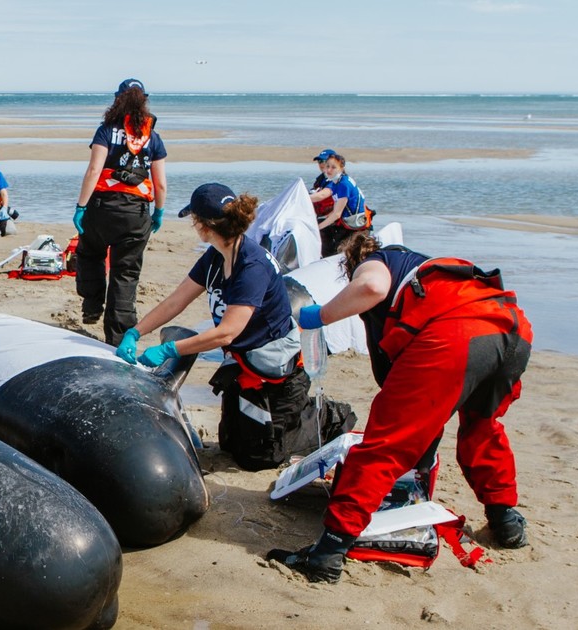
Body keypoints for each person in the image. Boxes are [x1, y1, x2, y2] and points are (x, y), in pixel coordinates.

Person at [268, 232, 533, 583]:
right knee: (482, 426)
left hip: (456, 332)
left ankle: (327, 554)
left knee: (382, 447)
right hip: (511, 328)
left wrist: (321, 315)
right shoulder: (421, 270)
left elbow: (372, 288)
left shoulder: (377, 262)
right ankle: (505, 521)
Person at [115, 184, 345, 471]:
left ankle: (328, 417)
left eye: (194, 219)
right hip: (243, 366)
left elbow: (227, 332)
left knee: (259, 459)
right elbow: (177, 301)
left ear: (204, 226)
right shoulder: (214, 258)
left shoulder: (252, 266)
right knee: (231, 445)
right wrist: (136, 331)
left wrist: (170, 349)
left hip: (277, 374)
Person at [74, 78, 167, 344]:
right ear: (144, 101)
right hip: (136, 214)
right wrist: (158, 212)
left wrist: (81, 207)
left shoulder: (106, 131)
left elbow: (94, 170)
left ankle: (92, 304)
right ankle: (117, 339)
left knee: (90, 252)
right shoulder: (153, 137)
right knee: (125, 273)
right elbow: (160, 182)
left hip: (102, 208)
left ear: (117, 100)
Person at [309, 152, 372, 257]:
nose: (328, 170)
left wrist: (317, 227)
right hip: (348, 225)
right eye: (327, 166)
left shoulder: (343, 184)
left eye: (333, 167)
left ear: (341, 168)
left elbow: (336, 214)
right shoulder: (335, 181)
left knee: (342, 253)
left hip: (356, 228)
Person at [308, 148, 336, 220]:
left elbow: (322, 195)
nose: (322, 164)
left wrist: (303, 198)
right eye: (320, 161)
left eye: (325, 161)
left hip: (343, 222)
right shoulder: (320, 179)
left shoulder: (337, 179)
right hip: (324, 217)